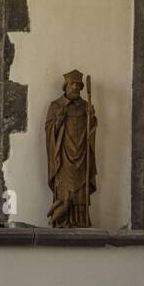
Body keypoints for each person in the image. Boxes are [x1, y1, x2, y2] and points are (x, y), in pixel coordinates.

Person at [45, 70, 97, 228]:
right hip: (63, 156)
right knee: (64, 191)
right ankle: (62, 220)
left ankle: (81, 221)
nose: (76, 87)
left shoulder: (85, 107)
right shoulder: (56, 106)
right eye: (72, 84)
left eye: (78, 85)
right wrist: (58, 123)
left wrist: (92, 119)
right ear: (65, 86)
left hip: (82, 154)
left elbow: (91, 129)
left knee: (80, 190)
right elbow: (49, 130)